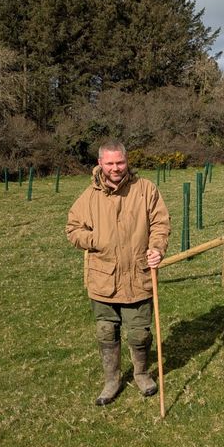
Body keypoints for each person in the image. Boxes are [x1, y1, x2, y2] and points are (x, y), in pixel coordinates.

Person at [66, 141, 171, 405]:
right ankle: (111, 380)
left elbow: (160, 223)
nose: (115, 168)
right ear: (100, 163)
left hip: (138, 274)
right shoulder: (89, 197)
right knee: (106, 331)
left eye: (120, 162)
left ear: (127, 161)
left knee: (139, 333)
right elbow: (73, 229)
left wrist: (157, 248)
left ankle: (142, 373)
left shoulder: (145, 189)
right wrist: (96, 239)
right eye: (110, 163)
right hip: (103, 277)